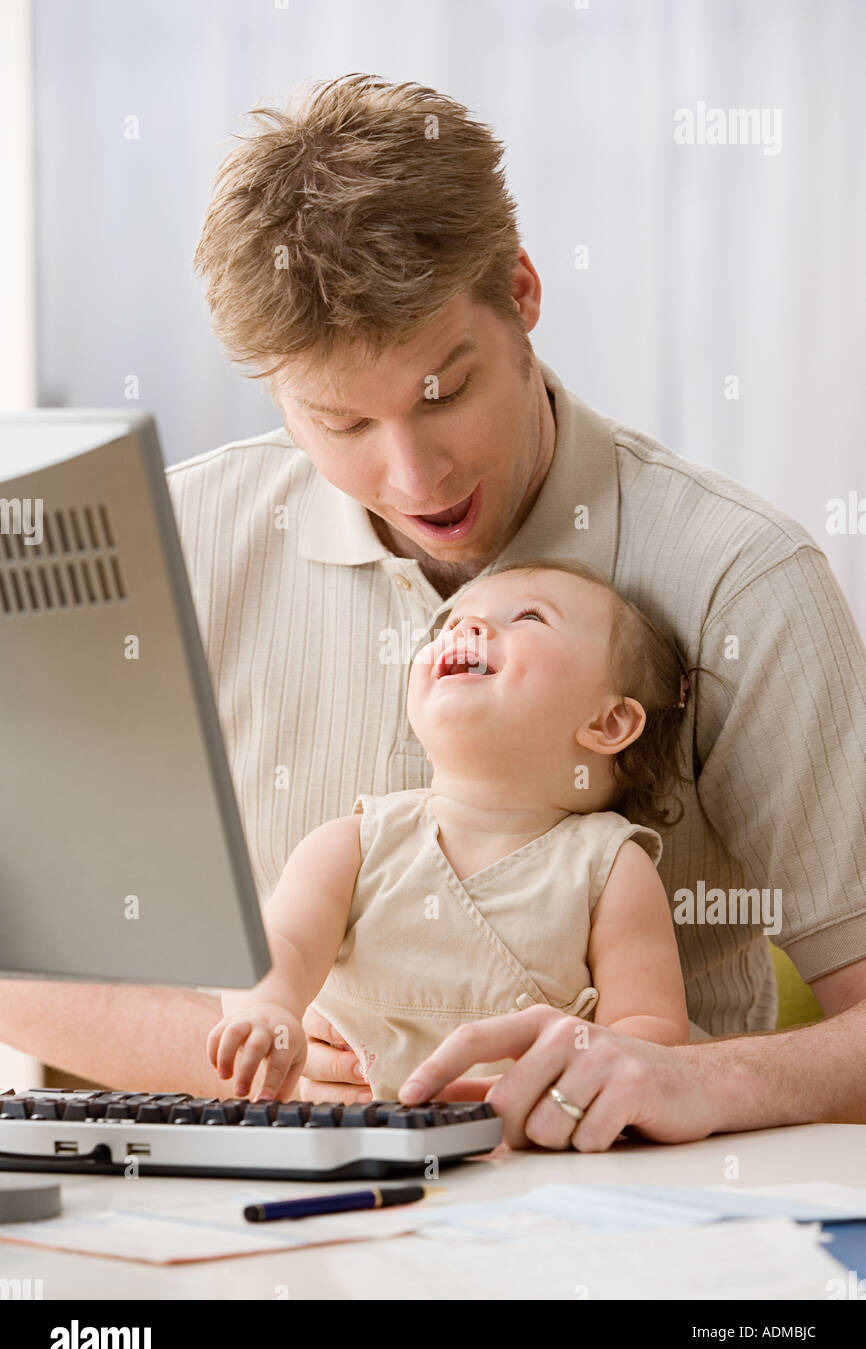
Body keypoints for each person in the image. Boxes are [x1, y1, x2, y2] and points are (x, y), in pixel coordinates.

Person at [3, 74, 865, 1153]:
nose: (411, 475)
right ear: (275, 390)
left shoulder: (744, 578)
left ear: (522, 291)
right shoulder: (173, 543)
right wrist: (248, 1052)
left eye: (443, 391)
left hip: (639, 1231)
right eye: (338, 420)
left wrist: (692, 1075)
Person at [206, 560, 694, 1104]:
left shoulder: (609, 867)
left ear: (608, 723)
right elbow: (281, 945)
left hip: (528, 1148)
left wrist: (579, 1089)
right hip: (354, 1141)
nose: (465, 630)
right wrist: (267, 1011)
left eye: (530, 618)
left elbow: (648, 1033)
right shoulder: (355, 845)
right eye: (451, 624)